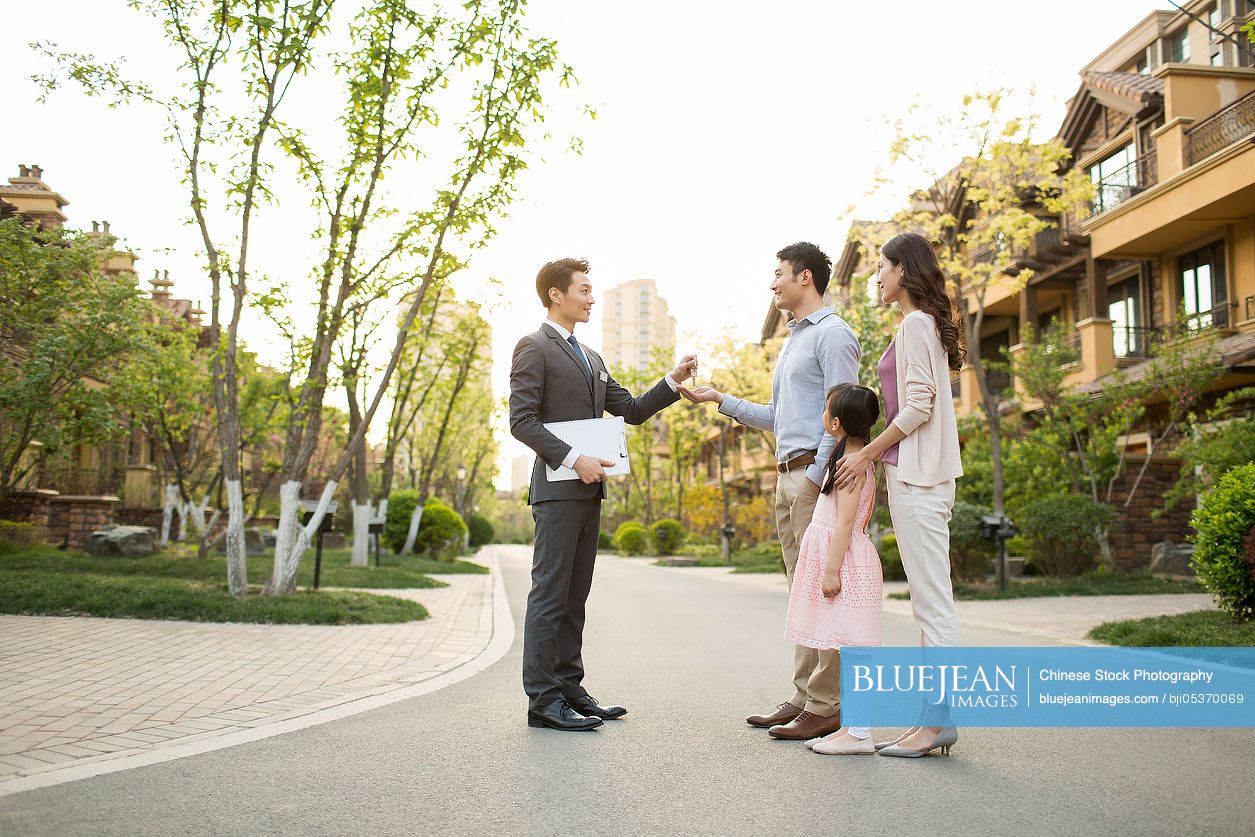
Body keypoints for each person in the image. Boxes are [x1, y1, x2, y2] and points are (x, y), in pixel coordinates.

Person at [680, 242, 860, 742]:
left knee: (824, 591)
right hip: (787, 473)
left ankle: (827, 705)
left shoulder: (834, 335)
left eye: (778, 274)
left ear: (805, 277)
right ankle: (804, 698)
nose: (772, 283)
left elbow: (845, 414)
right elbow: (781, 419)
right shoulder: (793, 341)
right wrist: (723, 400)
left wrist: (816, 476)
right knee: (801, 594)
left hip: (811, 478)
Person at [509, 257, 697, 732]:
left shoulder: (592, 358)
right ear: (556, 294)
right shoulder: (533, 347)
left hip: (591, 493)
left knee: (575, 596)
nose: (592, 298)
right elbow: (521, 420)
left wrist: (673, 381)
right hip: (557, 490)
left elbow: (631, 410)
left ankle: (570, 689)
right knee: (549, 595)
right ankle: (543, 701)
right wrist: (575, 459)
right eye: (585, 290)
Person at [829, 231, 963, 758]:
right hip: (921, 477)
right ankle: (932, 720)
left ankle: (937, 723)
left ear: (903, 271)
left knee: (933, 606)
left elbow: (916, 408)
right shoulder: (920, 324)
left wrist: (865, 454)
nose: (876, 277)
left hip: (919, 478)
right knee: (931, 605)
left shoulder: (913, 324)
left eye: (881, 268)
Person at [783, 384, 883, 755]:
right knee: (840, 641)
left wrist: (830, 570)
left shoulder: (853, 467)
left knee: (852, 644)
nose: (822, 416)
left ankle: (860, 732)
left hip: (846, 563)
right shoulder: (846, 457)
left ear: (836, 422)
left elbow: (844, 523)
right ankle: (853, 729)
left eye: (826, 411)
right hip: (838, 558)